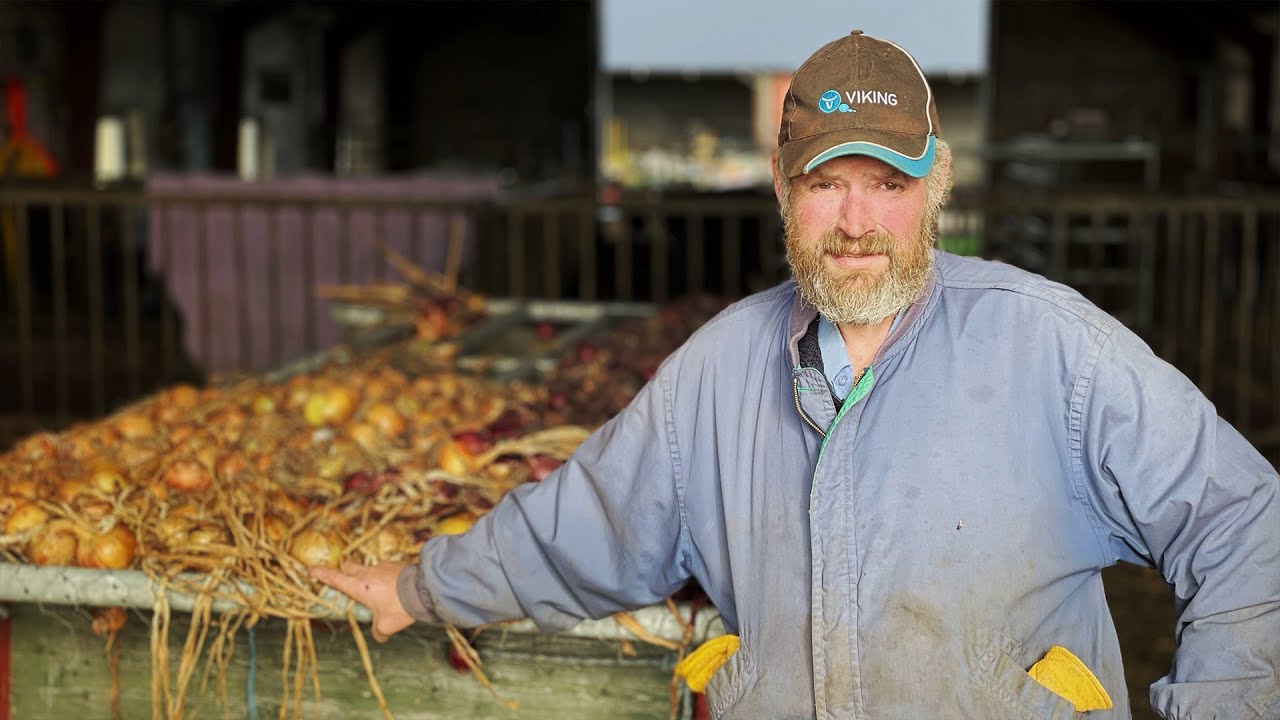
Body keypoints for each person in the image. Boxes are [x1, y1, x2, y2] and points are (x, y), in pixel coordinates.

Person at [312, 30, 1280, 719]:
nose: (856, 222)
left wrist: (1224, 703)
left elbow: (1239, 518)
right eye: (825, 184)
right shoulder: (721, 365)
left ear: (935, 184)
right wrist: (423, 585)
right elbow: (591, 521)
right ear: (781, 187)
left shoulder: (1051, 349)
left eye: (887, 185)